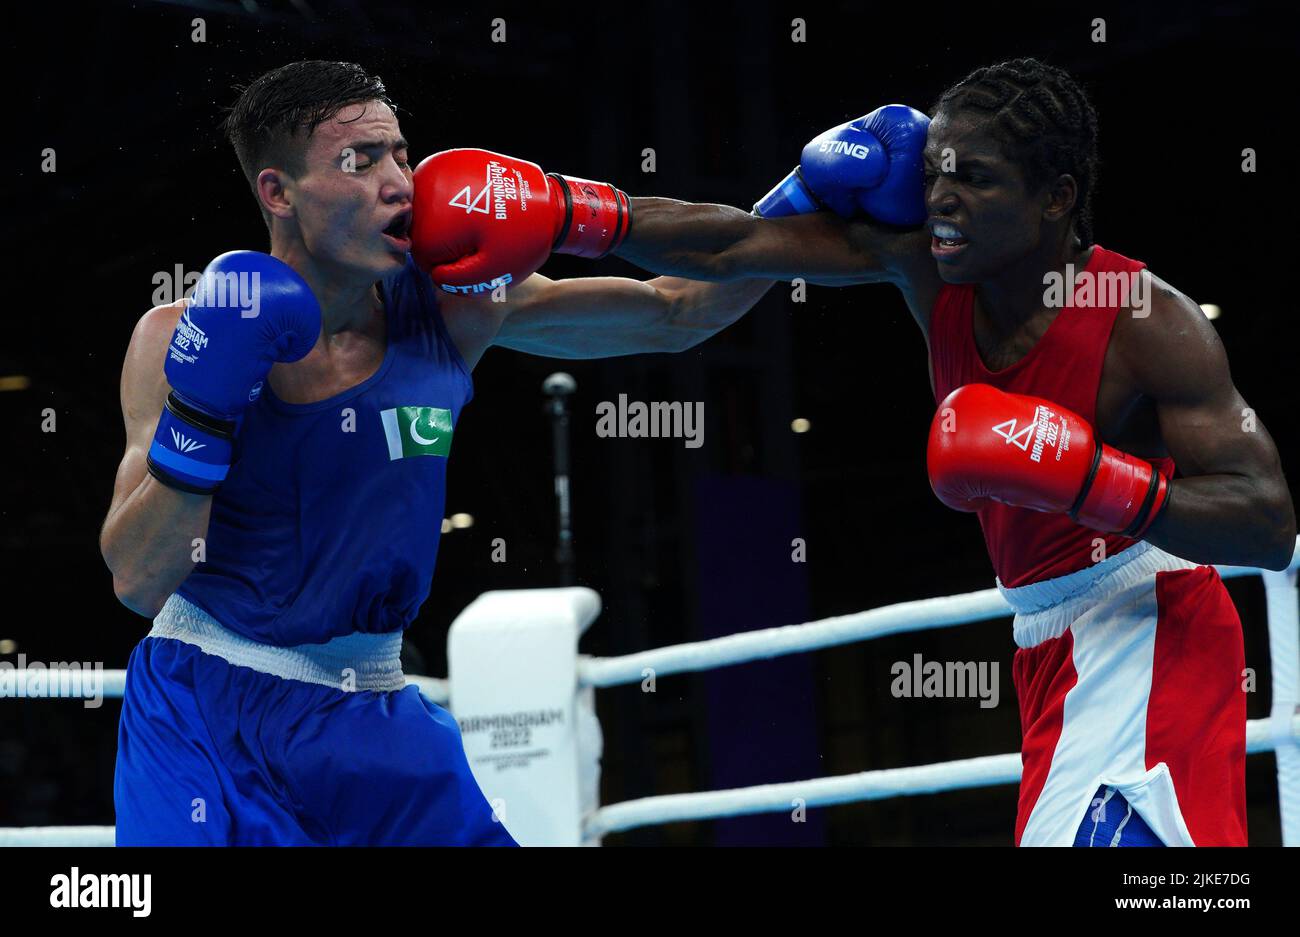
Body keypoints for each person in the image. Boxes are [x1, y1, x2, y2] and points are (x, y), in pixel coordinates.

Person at [604, 58, 1296, 845]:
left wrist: (1095, 479)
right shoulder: (924, 267)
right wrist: (582, 215)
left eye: (975, 179)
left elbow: (1268, 523)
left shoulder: (1144, 320)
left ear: (1056, 199)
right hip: (1044, 644)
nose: (940, 198)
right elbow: (735, 245)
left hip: (1150, 622)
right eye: (935, 173)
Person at [100, 60, 773, 845]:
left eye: (400, 154)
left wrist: (796, 205)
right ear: (278, 193)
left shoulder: (452, 307)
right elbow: (138, 578)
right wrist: (202, 412)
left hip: (372, 707)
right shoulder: (175, 336)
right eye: (361, 161)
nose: (400, 183)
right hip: (203, 709)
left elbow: (676, 311)